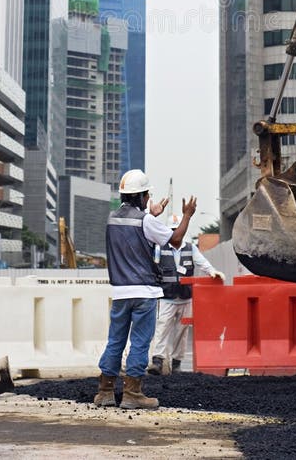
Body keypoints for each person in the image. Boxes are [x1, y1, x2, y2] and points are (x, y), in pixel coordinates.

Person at [94, 169, 197, 410]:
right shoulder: (145, 221)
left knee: (115, 341)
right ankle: (133, 394)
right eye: (147, 195)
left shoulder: (112, 218)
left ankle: (105, 392)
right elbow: (176, 240)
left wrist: (151, 214)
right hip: (144, 292)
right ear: (141, 196)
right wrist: (187, 216)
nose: (148, 198)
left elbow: (133, 234)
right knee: (140, 342)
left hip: (120, 292)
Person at [148, 213, 224, 375]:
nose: (175, 233)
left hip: (185, 297)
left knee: (182, 332)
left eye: (177, 229)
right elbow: (152, 266)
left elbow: (202, 262)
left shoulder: (190, 248)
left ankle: (176, 363)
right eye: (172, 230)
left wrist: (212, 272)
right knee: (162, 328)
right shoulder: (160, 248)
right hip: (167, 297)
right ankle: (158, 361)